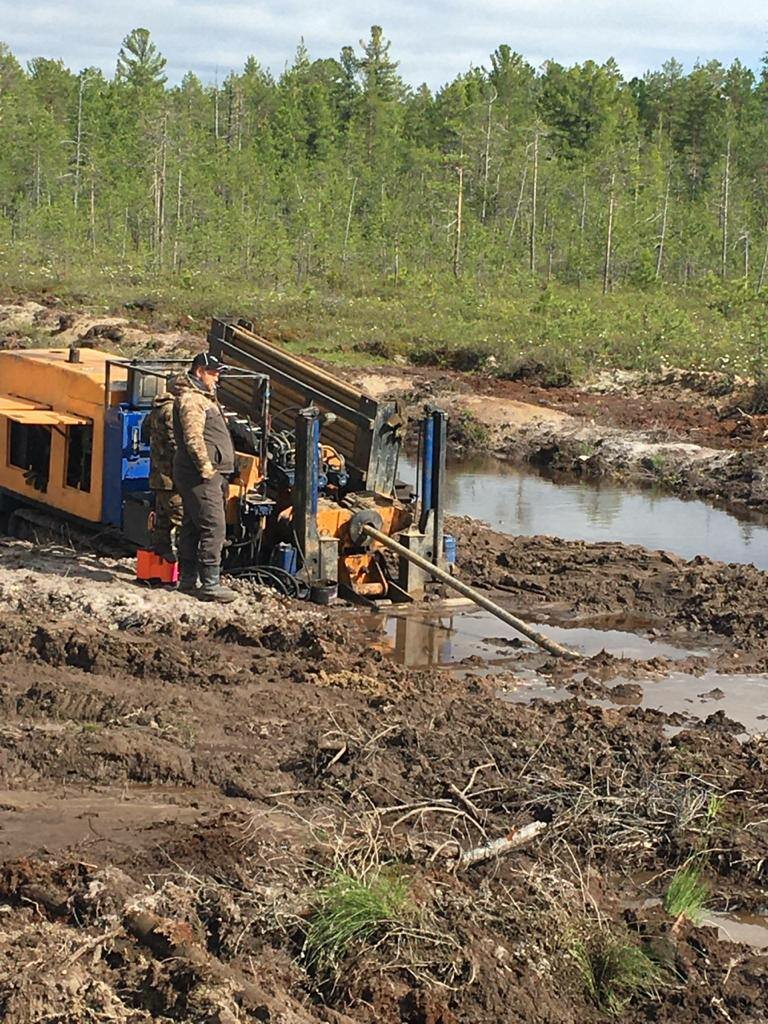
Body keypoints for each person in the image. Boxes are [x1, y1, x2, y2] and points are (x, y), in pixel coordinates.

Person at [172, 352, 237, 603]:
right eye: (213, 373)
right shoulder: (192, 400)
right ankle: (210, 583)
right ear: (199, 372)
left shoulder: (204, 398)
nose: (217, 378)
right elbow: (193, 438)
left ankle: (188, 580)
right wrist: (206, 468)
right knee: (214, 525)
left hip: (204, 473)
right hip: (201, 474)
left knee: (191, 524)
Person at [144, 375, 183, 563]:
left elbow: (144, 432)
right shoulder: (171, 410)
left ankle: (161, 558)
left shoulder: (156, 409)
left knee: (162, 519)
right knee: (181, 517)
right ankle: (186, 566)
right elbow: (175, 442)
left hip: (158, 474)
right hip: (171, 475)